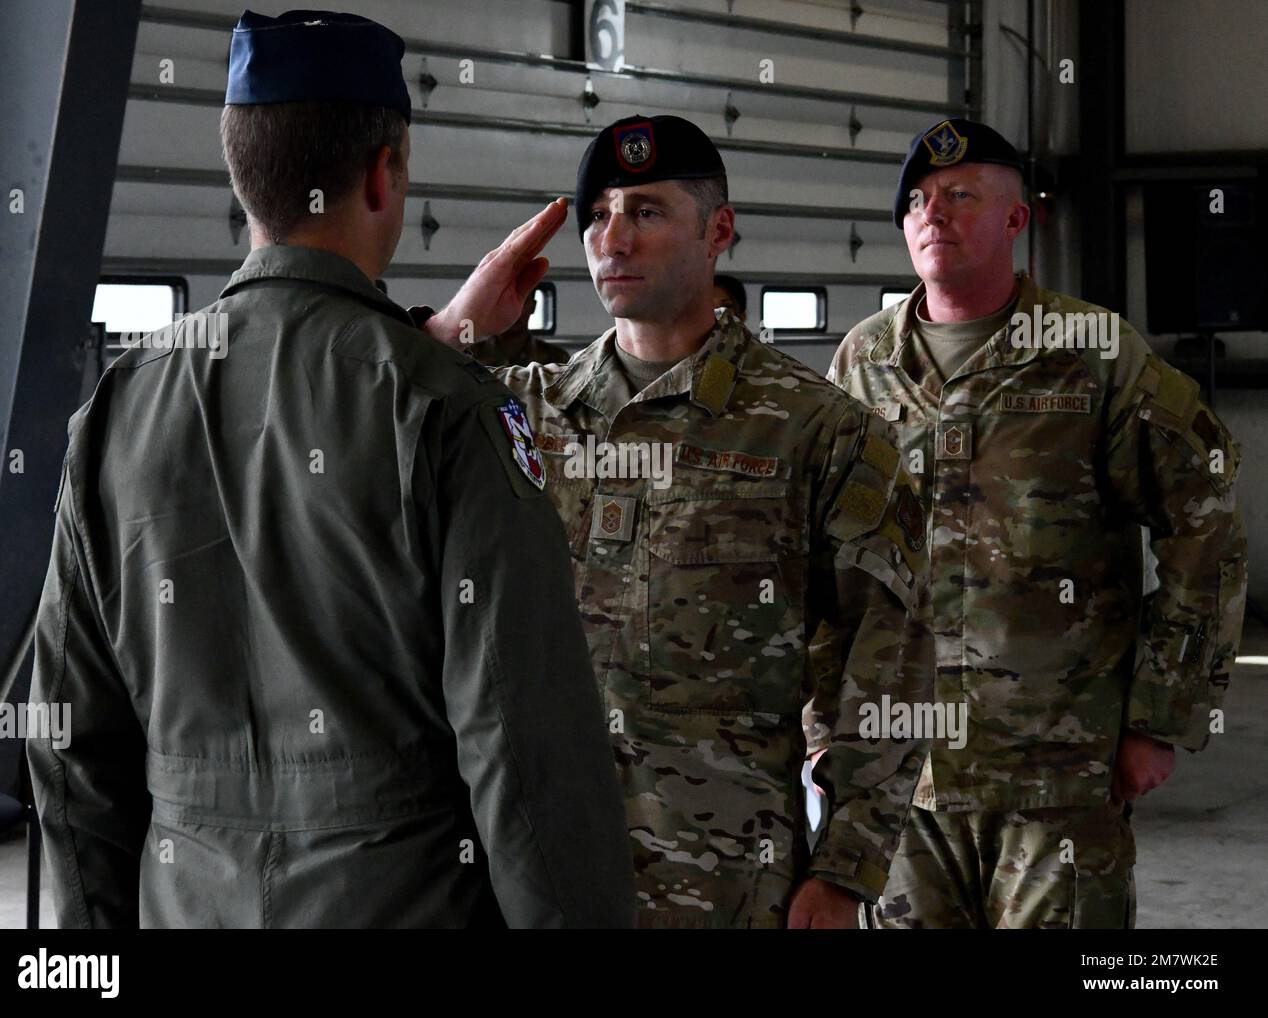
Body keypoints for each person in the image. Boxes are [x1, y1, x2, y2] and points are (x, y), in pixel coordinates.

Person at [26, 9, 634, 930]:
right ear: (384, 174)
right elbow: (523, 750)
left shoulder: (114, 415)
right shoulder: (449, 411)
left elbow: (68, 746)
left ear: (244, 173)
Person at [434, 114, 931, 928]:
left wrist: (846, 868)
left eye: (646, 211)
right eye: (598, 215)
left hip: (727, 883)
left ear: (718, 232)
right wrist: (459, 323)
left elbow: (889, 662)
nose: (612, 239)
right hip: (532, 875)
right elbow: (359, 436)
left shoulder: (818, 431)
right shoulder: (524, 410)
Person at [827, 118, 1248, 928]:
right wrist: (821, 732)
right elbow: (828, 555)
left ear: (1016, 221)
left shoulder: (1092, 352)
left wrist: (1160, 715)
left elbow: (1205, 521)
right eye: (917, 201)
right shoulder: (864, 362)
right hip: (898, 776)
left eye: (959, 196)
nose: (933, 214)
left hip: (1058, 773)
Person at [467, 292, 571, 368]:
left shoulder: (557, 359)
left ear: (533, 306)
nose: (513, 310)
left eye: (522, 300)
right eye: (504, 302)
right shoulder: (471, 358)